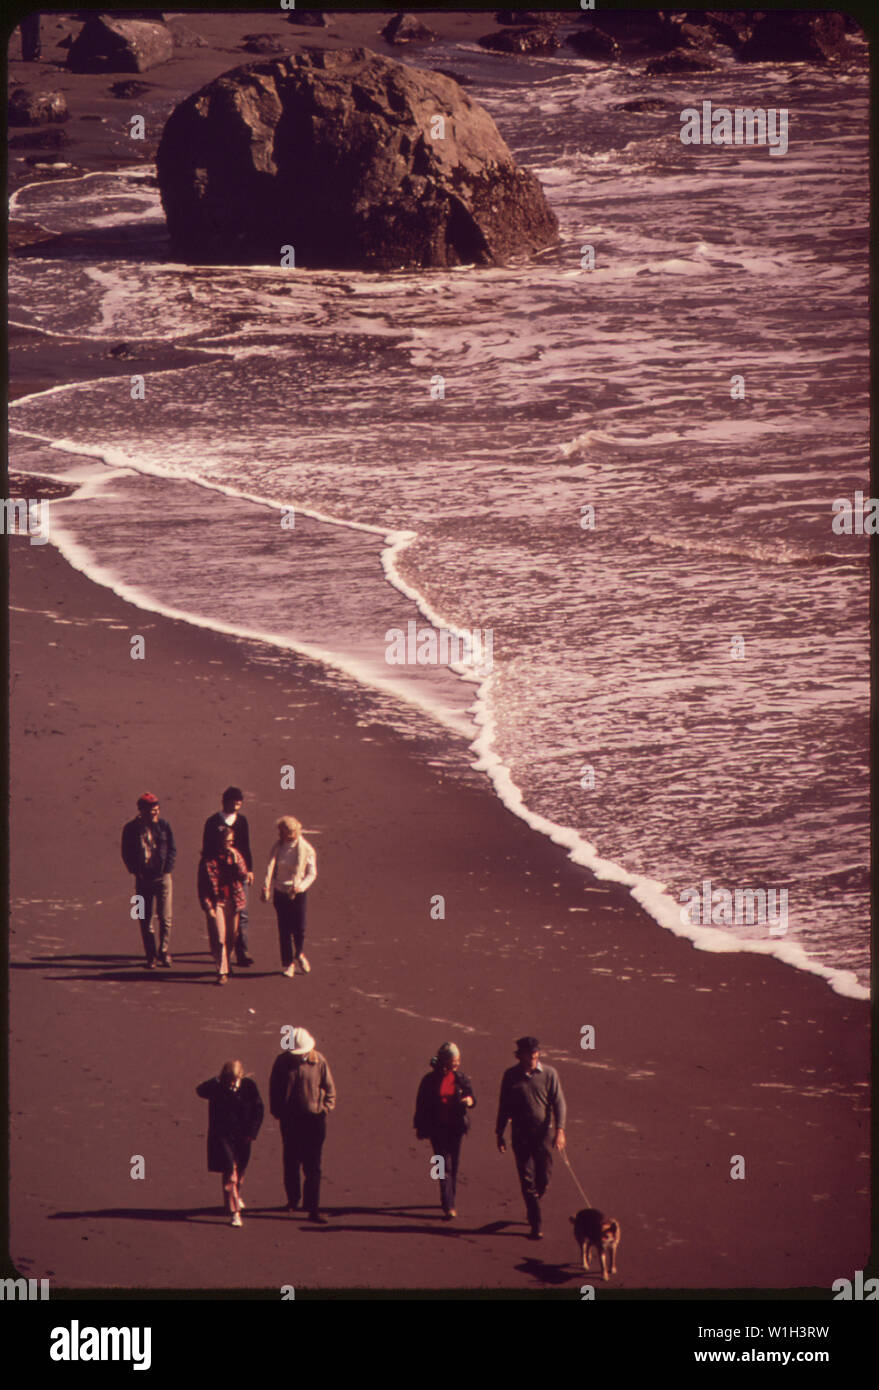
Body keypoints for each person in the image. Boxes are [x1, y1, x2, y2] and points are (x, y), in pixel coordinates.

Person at [496, 1035, 567, 1240]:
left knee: (543, 1178)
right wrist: (499, 1133)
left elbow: (559, 1104)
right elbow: (504, 1107)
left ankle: (533, 1202)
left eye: (536, 1052)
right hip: (520, 1135)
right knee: (527, 1180)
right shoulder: (510, 1076)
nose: (534, 1055)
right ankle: (536, 1224)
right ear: (520, 1055)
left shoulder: (550, 1074)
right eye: (530, 1052)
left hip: (544, 1135)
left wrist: (560, 1131)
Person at [268, 1027, 335, 1223]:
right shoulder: (281, 1062)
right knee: (291, 1162)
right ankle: (293, 1199)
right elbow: (274, 1088)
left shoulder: (319, 1061)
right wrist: (277, 1111)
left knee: (313, 1166)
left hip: (314, 1120)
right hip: (290, 1120)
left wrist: (326, 1108)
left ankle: (313, 1207)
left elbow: (329, 1088)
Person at [196, 1060, 264, 1227]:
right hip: (223, 1136)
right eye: (229, 1079)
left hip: (243, 1137)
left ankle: (234, 1197)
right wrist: (217, 1080)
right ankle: (235, 1213)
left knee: (240, 1171)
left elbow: (259, 1110)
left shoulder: (249, 1087)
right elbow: (200, 1090)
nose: (232, 1083)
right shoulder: (217, 1087)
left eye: (234, 1079)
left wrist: (252, 1133)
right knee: (230, 1172)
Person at [413, 1042, 475, 1219]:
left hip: (455, 1128)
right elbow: (421, 1105)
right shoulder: (429, 1080)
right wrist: (419, 1126)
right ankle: (448, 1204)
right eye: (454, 1060)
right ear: (445, 1060)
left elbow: (472, 1098)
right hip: (437, 1128)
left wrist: (468, 1101)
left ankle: (448, 1198)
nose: (457, 1063)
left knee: (453, 1165)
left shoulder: (461, 1078)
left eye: (458, 1060)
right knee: (441, 1164)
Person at [121, 792, 176, 969]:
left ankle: (164, 951)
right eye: (151, 810)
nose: (155, 813)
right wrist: (135, 871)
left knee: (165, 918)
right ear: (141, 811)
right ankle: (150, 956)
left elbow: (172, 849)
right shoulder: (130, 829)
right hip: (142, 880)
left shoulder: (164, 825)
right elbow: (126, 853)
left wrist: (167, 869)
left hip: (163, 878)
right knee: (143, 918)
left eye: (156, 810)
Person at [202, 786, 254, 967]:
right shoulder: (212, 822)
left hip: (238, 874)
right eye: (235, 803)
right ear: (226, 801)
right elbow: (206, 849)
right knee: (221, 915)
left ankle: (243, 951)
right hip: (219, 876)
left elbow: (246, 847)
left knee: (242, 913)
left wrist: (250, 869)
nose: (237, 807)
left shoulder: (242, 821)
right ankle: (222, 955)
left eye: (240, 804)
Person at [260, 816, 317, 977]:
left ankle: (299, 953)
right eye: (284, 832)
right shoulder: (278, 847)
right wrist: (267, 887)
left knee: (299, 928)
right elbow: (270, 867)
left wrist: (300, 887)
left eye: (291, 832)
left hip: (297, 893)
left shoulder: (306, 849)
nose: (288, 835)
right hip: (280, 892)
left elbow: (312, 873)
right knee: (284, 929)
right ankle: (288, 963)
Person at [198, 824, 248, 986]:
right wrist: (208, 907)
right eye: (227, 841)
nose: (230, 844)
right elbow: (202, 886)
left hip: (234, 900)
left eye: (231, 841)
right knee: (219, 937)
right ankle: (222, 971)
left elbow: (243, 876)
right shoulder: (206, 861)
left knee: (232, 936)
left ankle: (227, 961)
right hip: (217, 901)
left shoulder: (235, 855)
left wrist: (236, 861)